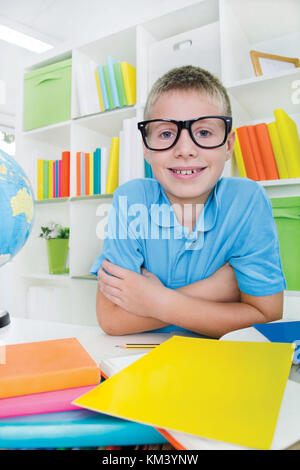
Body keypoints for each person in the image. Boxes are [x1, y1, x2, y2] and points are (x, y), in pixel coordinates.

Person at [90, 65, 286, 337]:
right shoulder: (130, 198)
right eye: (166, 134)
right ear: (147, 149)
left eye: (204, 133)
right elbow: (112, 319)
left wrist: (154, 300)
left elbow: (267, 317)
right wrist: (215, 289)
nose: (185, 150)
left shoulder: (247, 200)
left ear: (228, 146)